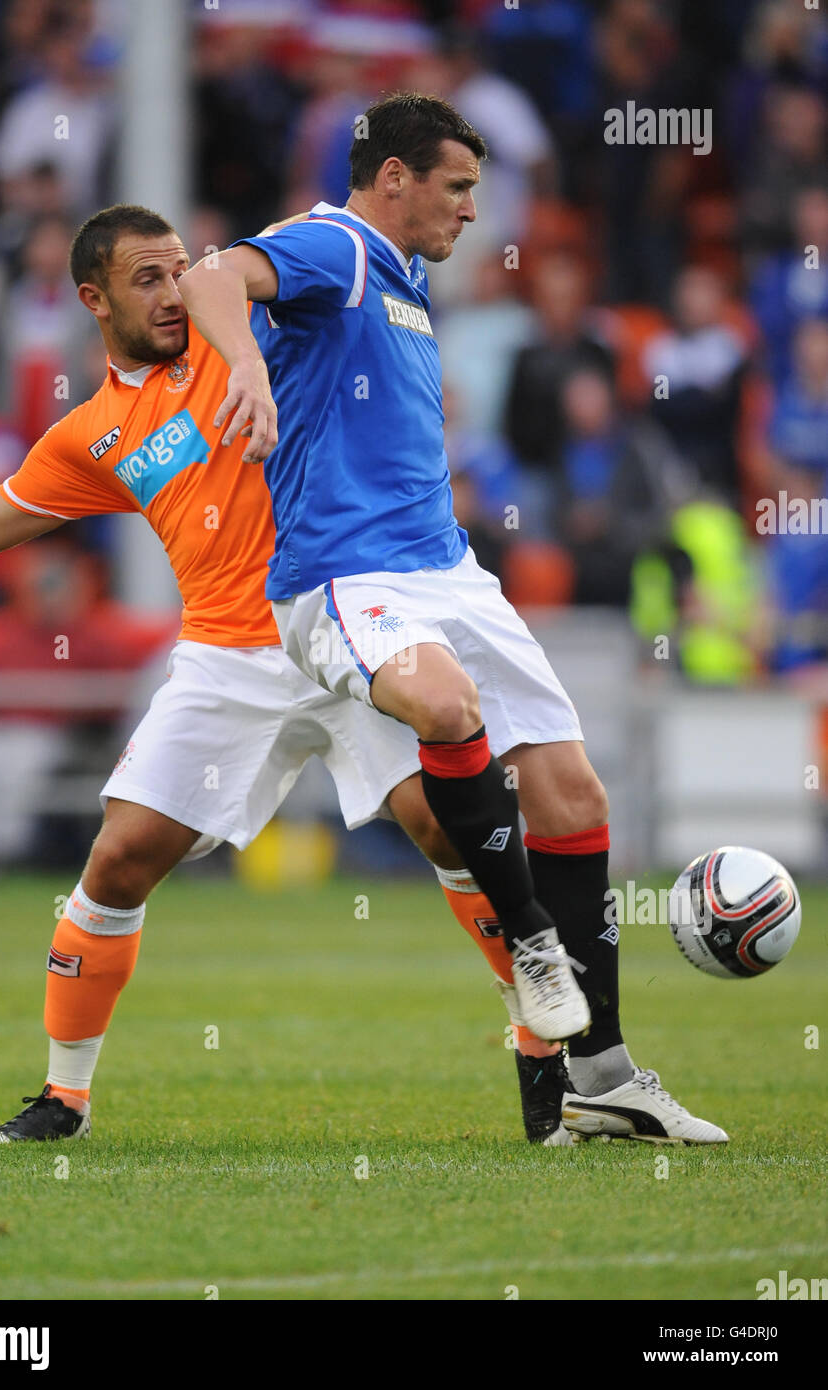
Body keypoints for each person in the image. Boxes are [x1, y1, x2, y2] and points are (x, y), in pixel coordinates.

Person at [0, 203, 576, 1147]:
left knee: (443, 824)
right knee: (118, 858)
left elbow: (302, 284)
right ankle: (65, 1096)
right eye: (146, 278)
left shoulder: (247, 331)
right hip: (226, 656)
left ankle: (547, 1069)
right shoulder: (93, 436)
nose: (173, 290)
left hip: (342, 618)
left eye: (179, 269)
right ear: (92, 299)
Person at [178, 93, 727, 1144]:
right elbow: (213, 274)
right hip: (347, 578)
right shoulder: (335, 244)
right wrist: (243, 360)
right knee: (443, 701)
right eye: (459, 186)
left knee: (571, 791)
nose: (476, 210)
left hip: (450, 572)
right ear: (396, 179)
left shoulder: (409, 279)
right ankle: (529, 941)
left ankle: (602, 1076)